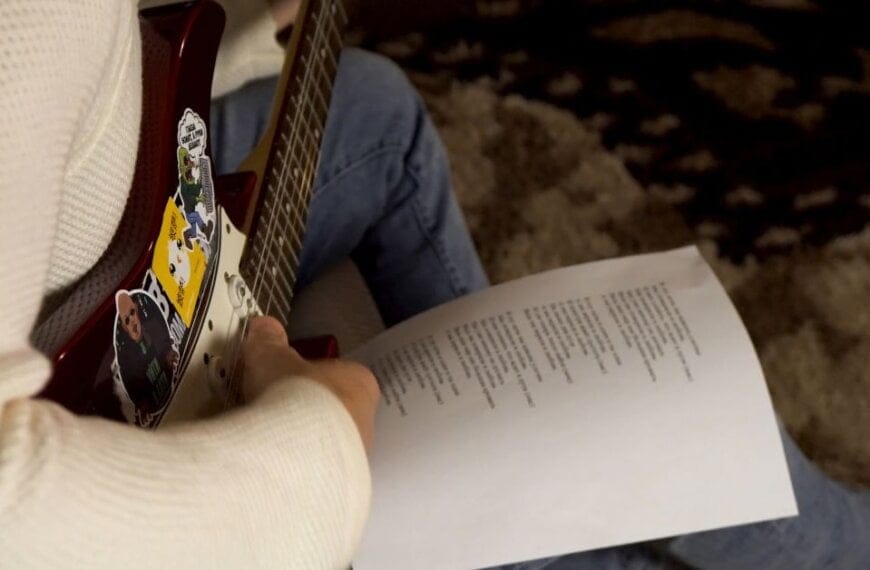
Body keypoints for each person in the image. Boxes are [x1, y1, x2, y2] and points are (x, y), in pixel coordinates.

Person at [1, 1, 867, 569]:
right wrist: (322, 442)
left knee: (370, 114)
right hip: (86, 403)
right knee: (658, 431)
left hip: (85, 232)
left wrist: (231, 34)